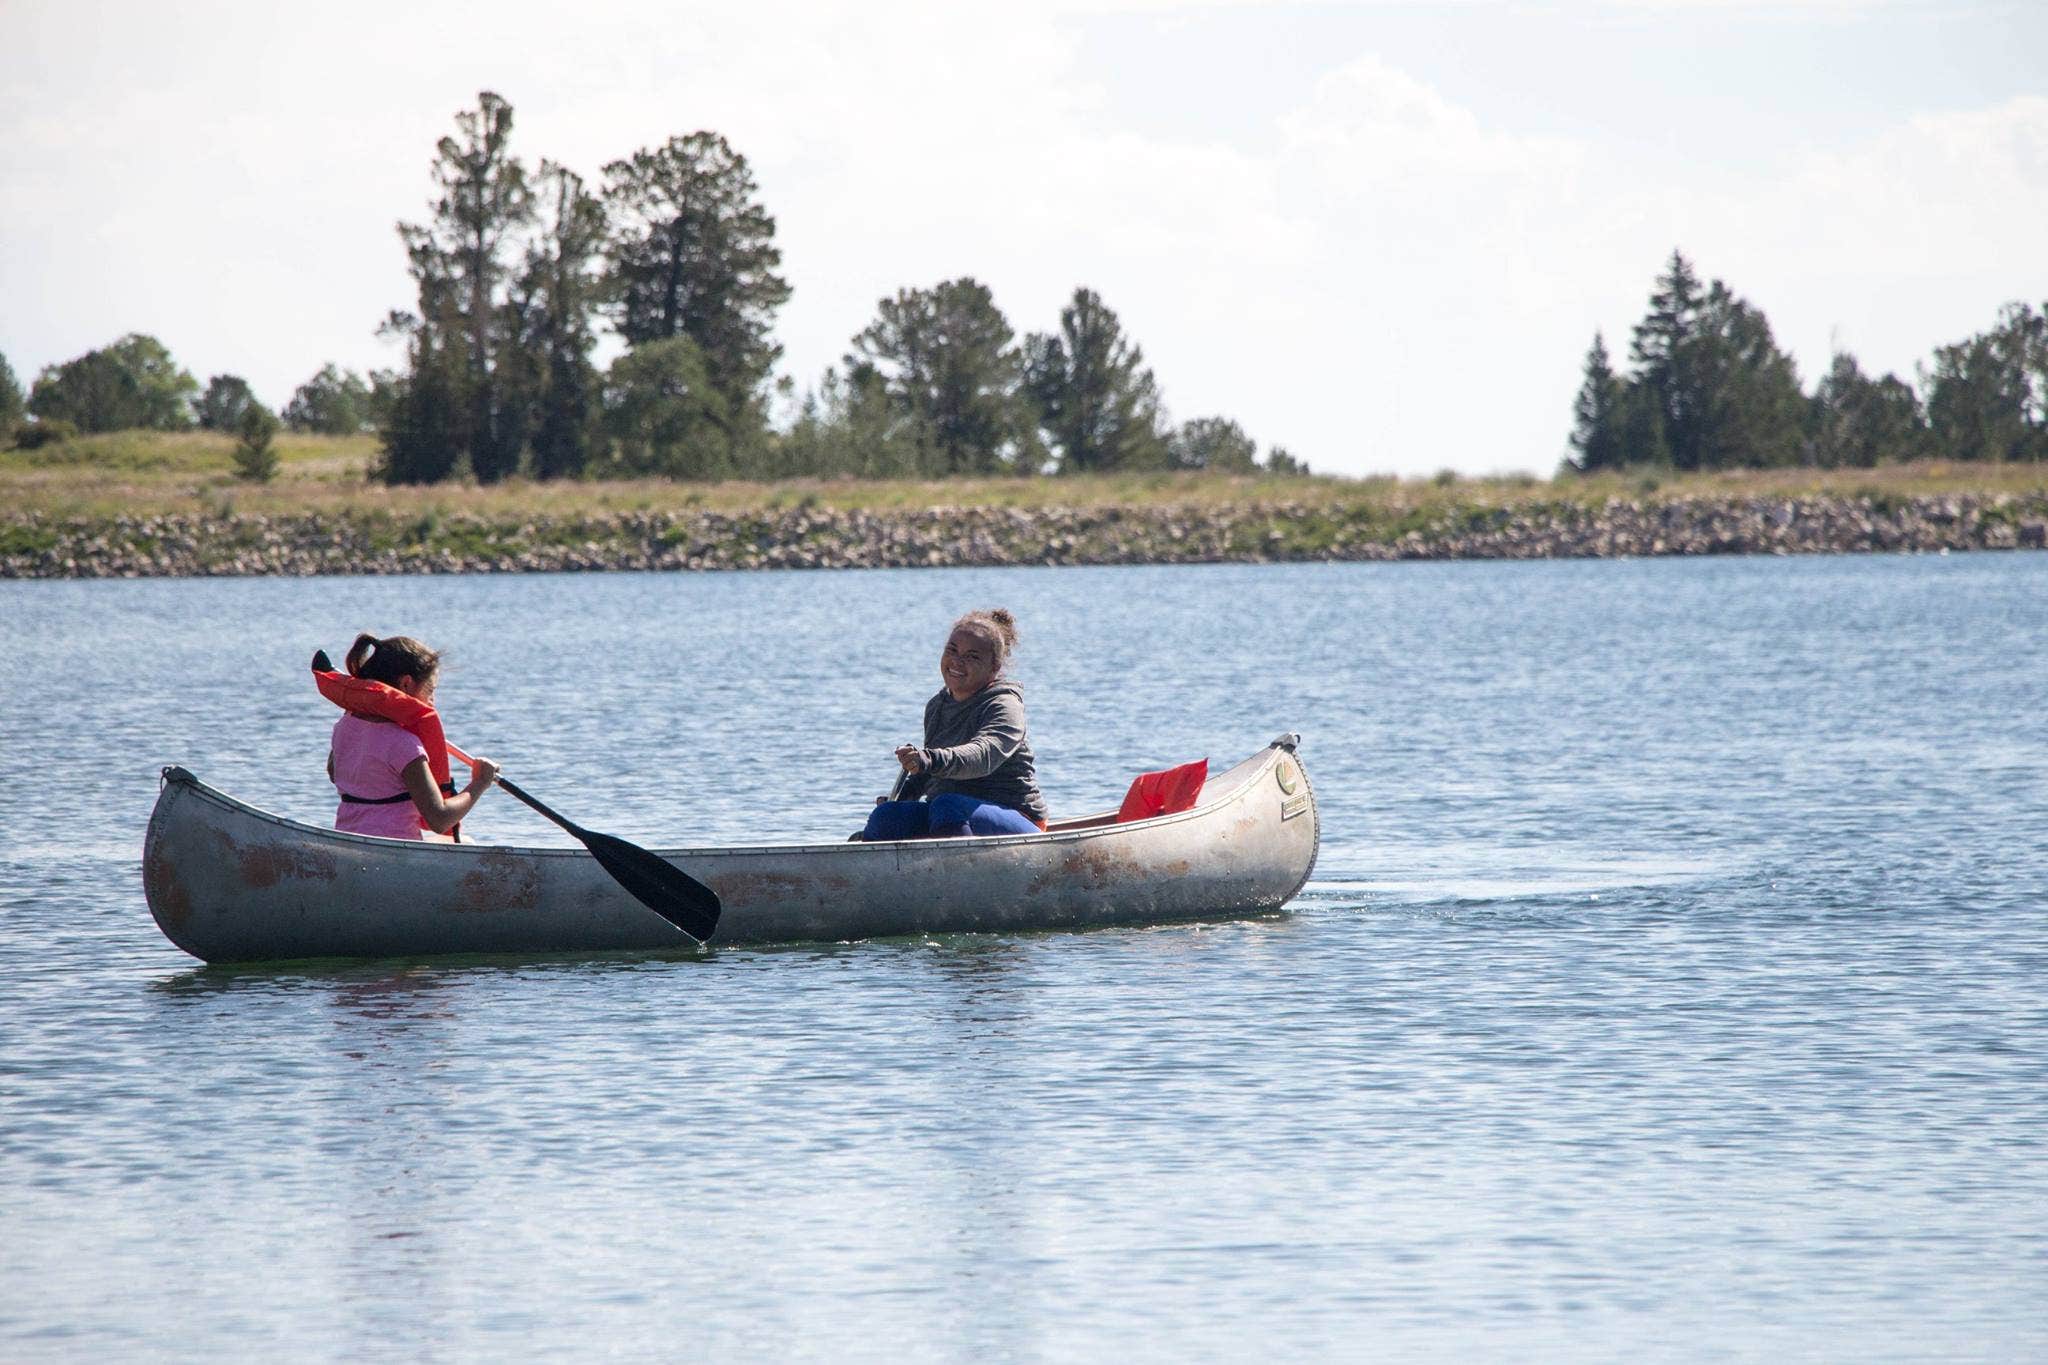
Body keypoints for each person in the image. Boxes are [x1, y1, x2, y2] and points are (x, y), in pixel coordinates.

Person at [861, 608, 1048, 841]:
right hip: (951, 813)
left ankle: (955, 874)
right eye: (952, 650)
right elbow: (930, 772)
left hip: (1018, 819)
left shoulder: (1005, 706)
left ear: (995, 667)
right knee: (887, 815)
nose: (957, 661)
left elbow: (982, 756)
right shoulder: (936, 706)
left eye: (972, 656)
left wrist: (928, 758)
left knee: (947, 805)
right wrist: (905, 795)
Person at [318, 633, 498, 841]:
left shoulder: (345, 727)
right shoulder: (405, 745)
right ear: (406, 684)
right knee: (466, 843)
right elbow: (439, 820)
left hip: (347, 842)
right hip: (394, 854)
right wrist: (479, 783)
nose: (432, 701)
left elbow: (335, 773)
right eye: (431, 690)